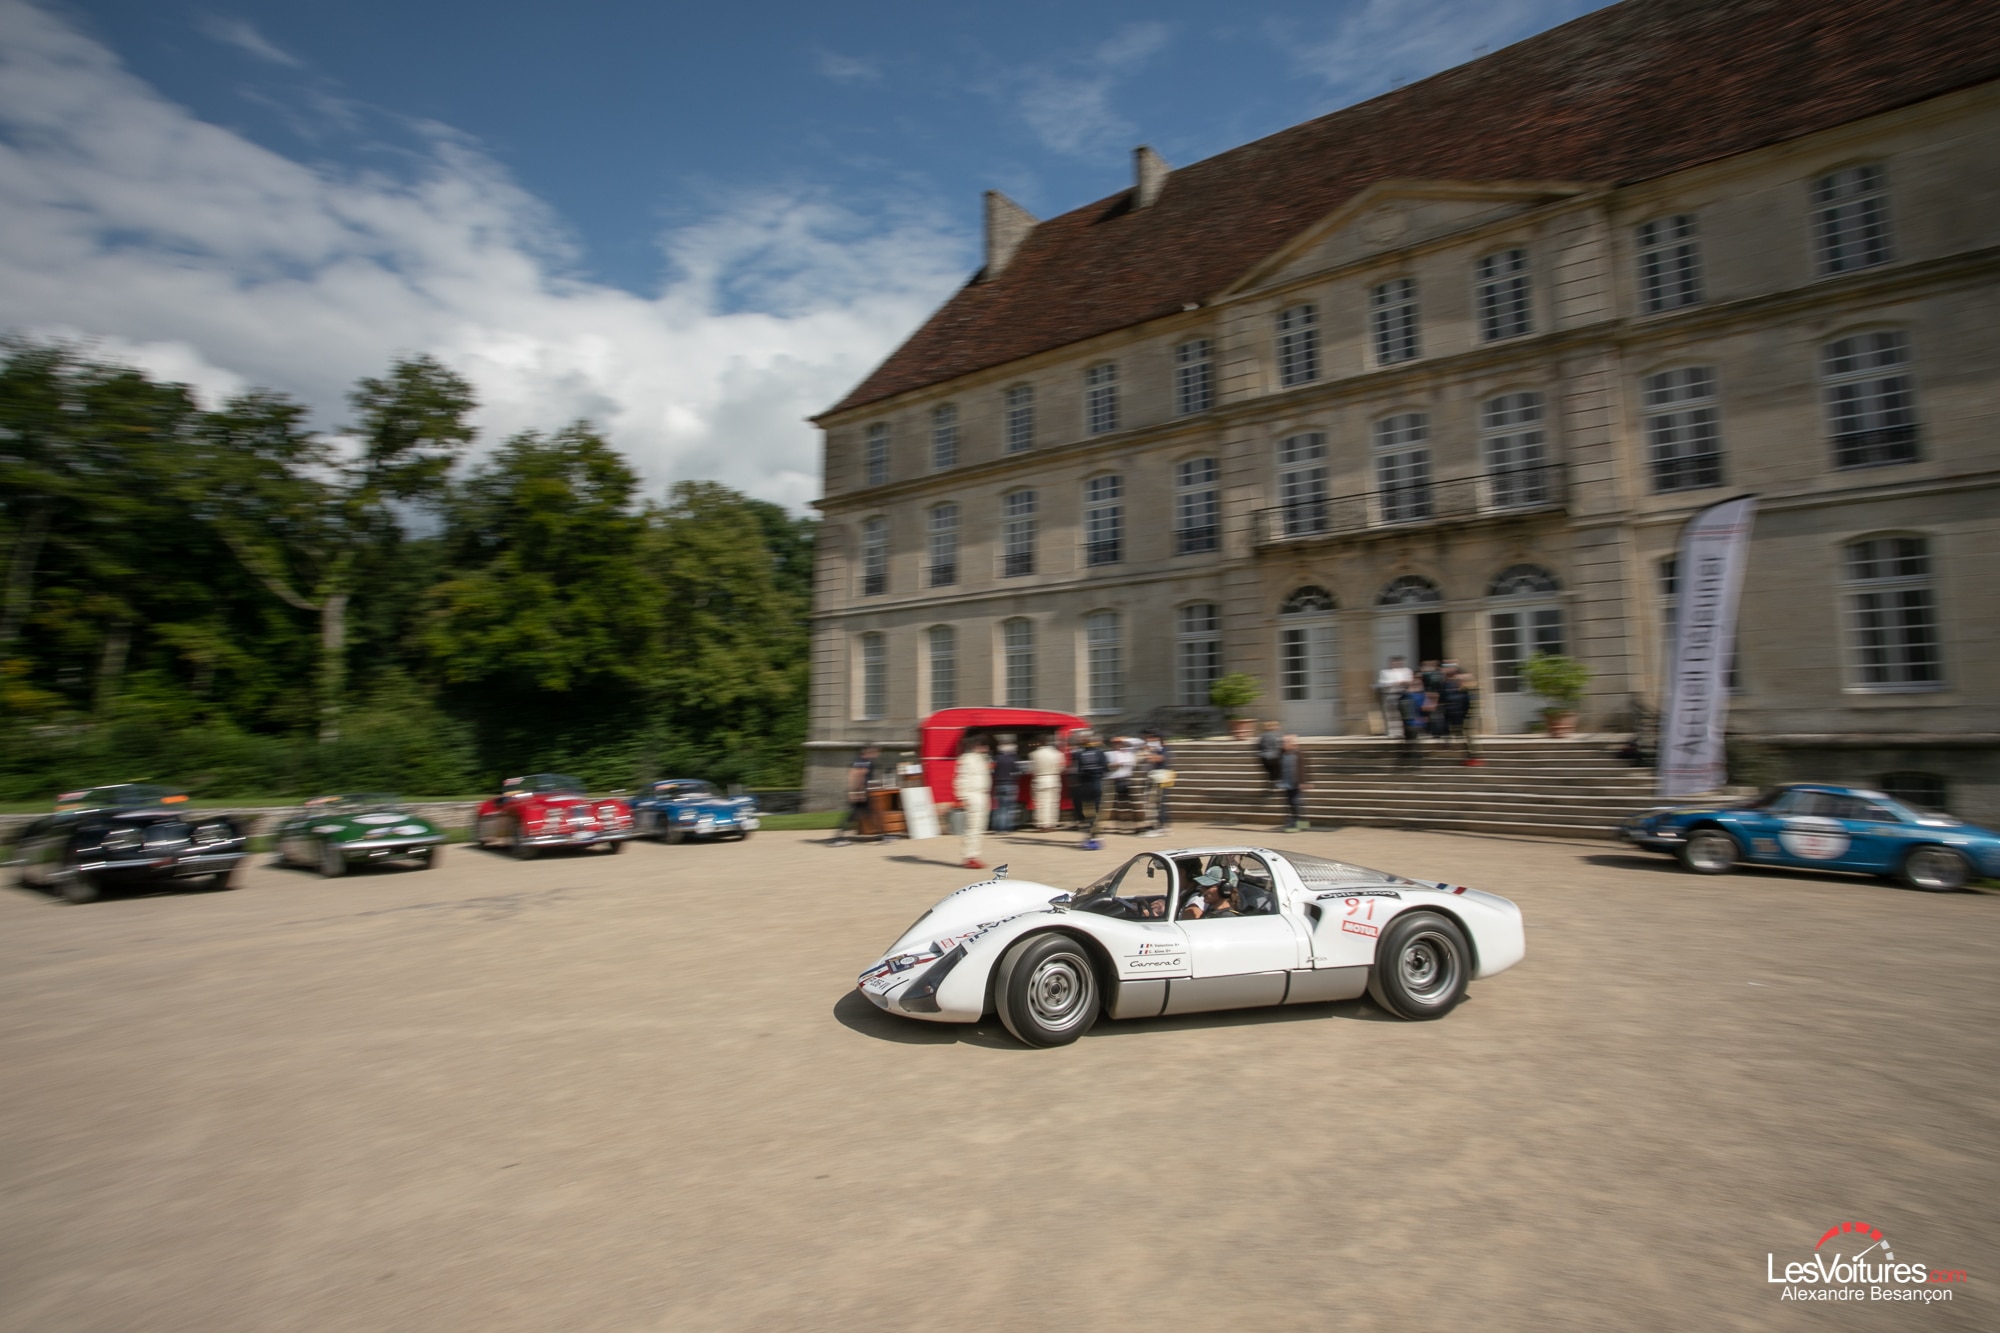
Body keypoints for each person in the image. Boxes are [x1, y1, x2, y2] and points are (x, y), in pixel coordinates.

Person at [829, 744, 879, 845]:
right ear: (868, 752)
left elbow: (853, 774)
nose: (877, 754)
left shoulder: (860, 760)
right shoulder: (864, 761)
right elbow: (856, 775)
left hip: (860, 791)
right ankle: (837, 837)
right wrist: (856, 792)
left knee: (868, 813)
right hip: (860, 792)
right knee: (855, 815)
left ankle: (882, 834)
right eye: (875, 751)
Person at [955, 737, 992, 869]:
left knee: (979, 827)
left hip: (982, 795)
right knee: (973, 827)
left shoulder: (981, 759)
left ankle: (974, 855)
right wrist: (963, 796)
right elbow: (961, 778)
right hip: (973, 795)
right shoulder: (967, 759)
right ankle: (970, 856)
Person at [1070, 733, 1108, 847]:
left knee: (1088, 811)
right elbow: (1105, 768)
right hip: (1096, 783)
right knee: (1097, 809)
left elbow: (1077, 770)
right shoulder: (1100, 753)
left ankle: (1091, 833)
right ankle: (1096, 835)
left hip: (1084, 785)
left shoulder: (1079, 754)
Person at [1442, 668, 1481, 765]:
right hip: (1459, 717)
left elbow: (1471, 704)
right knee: (1462, 738)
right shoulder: (1457, 690)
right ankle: (1468, 756)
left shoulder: (1468, 690)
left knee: (1469, 738)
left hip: (1467, 718)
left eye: (1459, 680)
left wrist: (1467, 715)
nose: (1457, 681)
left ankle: (1474, 757)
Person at [1274, 734, 1311, 832]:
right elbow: (1278, 767)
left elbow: (1303, 769)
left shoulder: (1298, 753)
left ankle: (1299, 824)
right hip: (1286, 783)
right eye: (1282, 743)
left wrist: (1303, 781)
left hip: (1295, 783)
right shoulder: (1281, 754)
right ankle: (1296, 824)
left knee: (1296, 803)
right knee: (1290, 804)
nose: (1282, 744)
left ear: (1291, 743)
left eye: (1285, 742)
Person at [1140, 730, 1173, 837]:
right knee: (1154, 802)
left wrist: (1149, 752)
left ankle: (1162, 826)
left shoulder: (1164, 749)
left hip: (1164, 776)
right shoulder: (1155, 749)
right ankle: (1158, 824)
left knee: (1161, 802)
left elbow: (1158, 759)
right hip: (1155, 776)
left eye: (1151, 738)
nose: (1149, 741)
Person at [1029, 737, 1065, 831]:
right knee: (1053, 803)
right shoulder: (1057, 754)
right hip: (1054, 778)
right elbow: (1062, 767)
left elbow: (1031, 768)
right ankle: (1052, 823)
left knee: (1041, 803)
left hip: (1040, 778)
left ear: (1039, 743)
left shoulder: (1034, 754)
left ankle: (1042, 824)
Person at [1376, 657, 1414, 738]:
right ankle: (1392, 732)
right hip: (1390, 694)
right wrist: (1395, 683)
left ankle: (1402, 731)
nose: (1396, 664)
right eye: (1394, 662)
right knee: (1391, 715)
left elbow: (1411, 681)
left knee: (1402, 714)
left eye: (1398, 662)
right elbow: (1382, 683)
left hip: (1403, 694)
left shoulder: (1407, 670)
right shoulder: (1385, 672)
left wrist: (1404, 682)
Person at [1106, 737, 1137, 833]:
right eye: (1116, 743)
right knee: (1116, 805)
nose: (1118, 745)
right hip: (1114, 779)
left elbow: (1138, 743)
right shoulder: (1108, 754)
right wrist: (1112, 766)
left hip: (1125, 779)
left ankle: (1129, 825)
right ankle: (1120, 824)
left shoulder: (1129, 753)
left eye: (1120, 743)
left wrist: (1125, 739)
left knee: (1126, 804)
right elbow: (1106, 766)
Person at [991, 740, 1021, 833]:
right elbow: (1018, 771)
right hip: (1011, 784)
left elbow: (993, 771)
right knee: (1009, 808)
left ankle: (999, 828)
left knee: (1000, 807)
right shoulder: (1012, 759)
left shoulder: (996, 758)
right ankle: (1007, 828)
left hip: (999, 785)